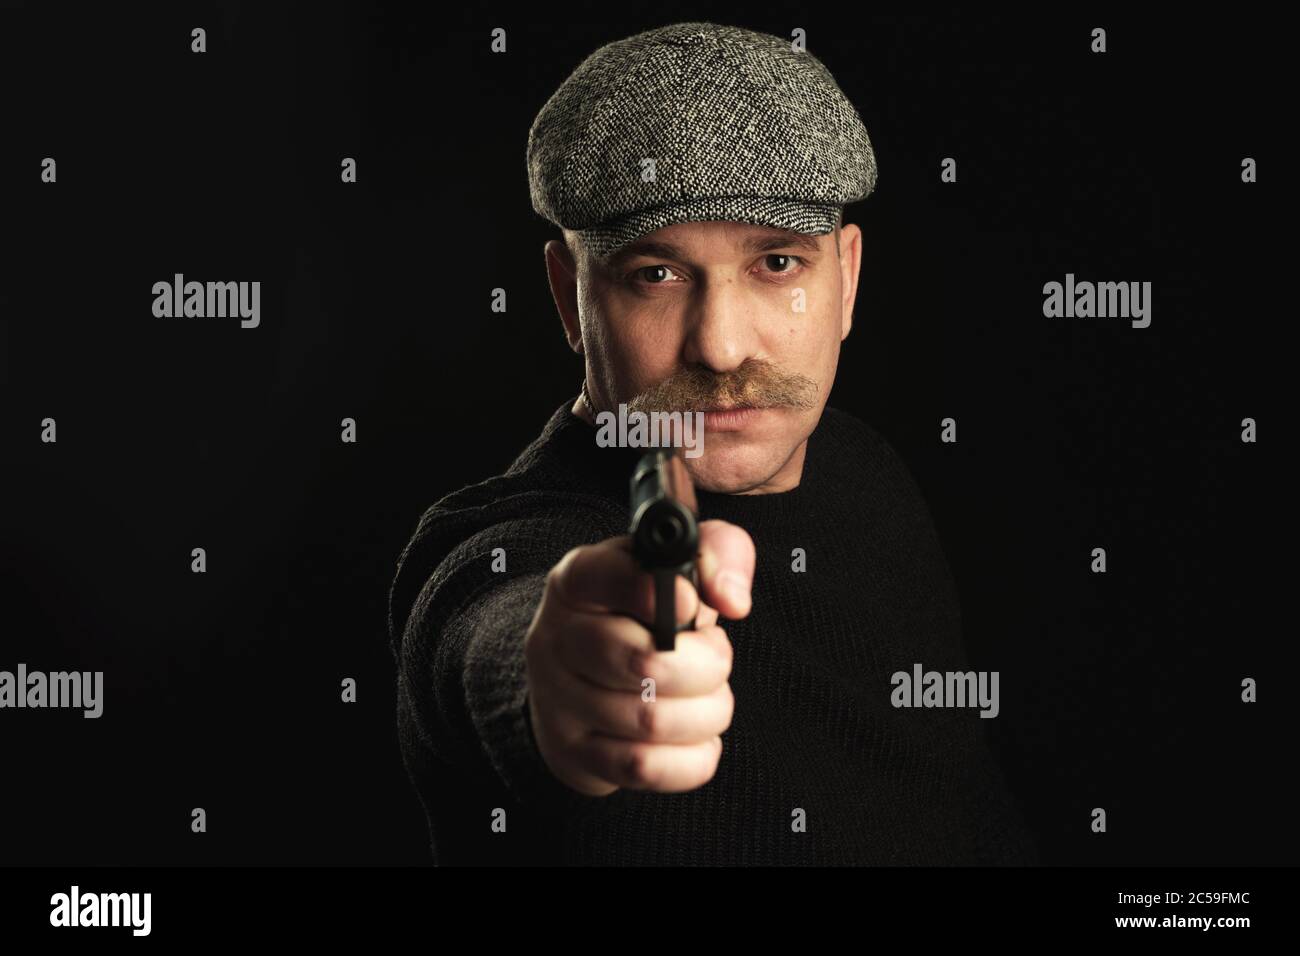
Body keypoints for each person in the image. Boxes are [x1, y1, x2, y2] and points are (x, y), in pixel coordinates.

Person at [387, 21, 1037, 865]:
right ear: (566, 298)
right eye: (655, 273)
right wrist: (555, 677)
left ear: (848, 281)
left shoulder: (869, 472)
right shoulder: (506, 546)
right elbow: (485, 630)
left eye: (776, 265)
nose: (721, 347)